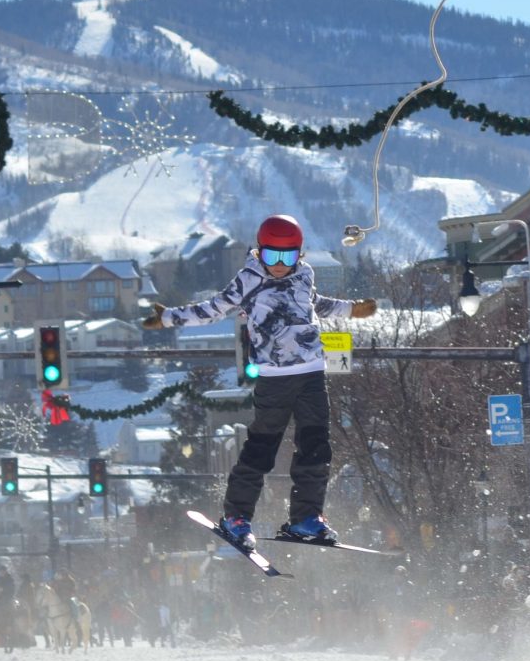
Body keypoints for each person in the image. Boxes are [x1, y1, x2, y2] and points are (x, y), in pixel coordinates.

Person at [144, 214, 377, 545]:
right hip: (274, 377)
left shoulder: (304, 275)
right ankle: (237, 517)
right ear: (259, 252)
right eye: (272, 257)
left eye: (288, 257)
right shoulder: (248, 280)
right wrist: (168, 317)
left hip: (311, 372)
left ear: (299, 254)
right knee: (262, 448)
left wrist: (351, 310)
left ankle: (306, 518)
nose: (280, 265)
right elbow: (212, 310)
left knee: (316, 448)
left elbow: (315, 306)